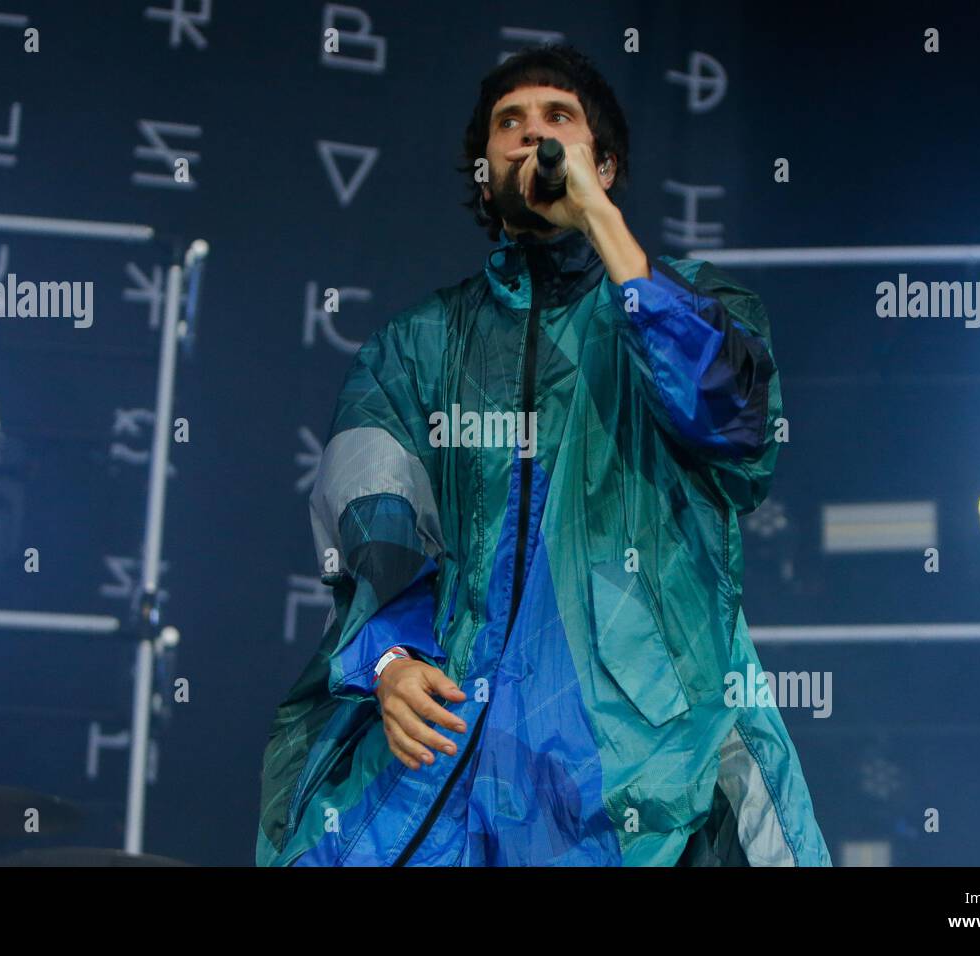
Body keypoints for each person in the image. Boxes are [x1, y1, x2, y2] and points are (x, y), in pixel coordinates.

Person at [256, 43, 831, 866]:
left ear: (603, 161)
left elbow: (735, 433)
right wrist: (388, 655)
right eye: (508, 124)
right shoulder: (414, 348)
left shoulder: (700, 304)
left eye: (558, 119)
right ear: (482, 171)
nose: (532, 138)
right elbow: (371, 500)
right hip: (446, 750)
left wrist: (599, 222)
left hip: (644, 758)